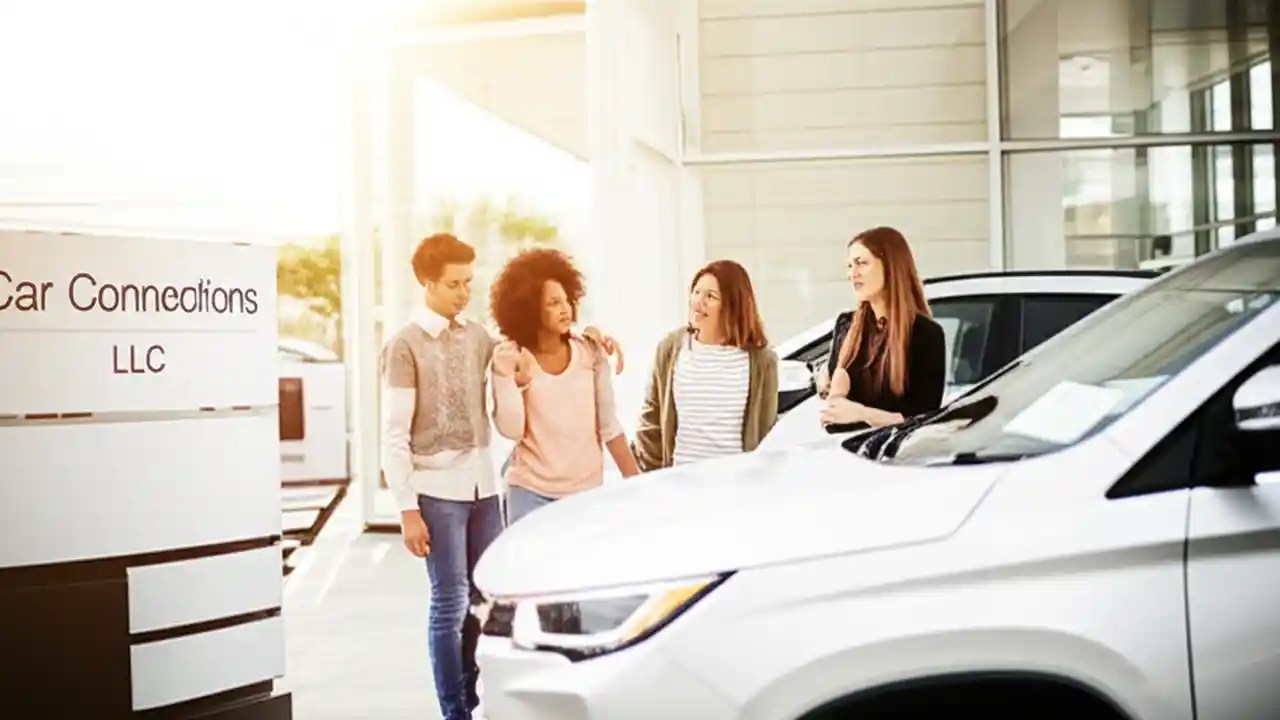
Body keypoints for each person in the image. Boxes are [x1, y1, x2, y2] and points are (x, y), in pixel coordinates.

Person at [380, 233, 622, 720]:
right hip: (435, 492)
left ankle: (477, 698)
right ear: (426, 282)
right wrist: (407, 509)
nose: (462, 292)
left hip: (484, 489)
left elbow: (529, 344)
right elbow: (392, 435)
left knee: (485, 601)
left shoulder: (478, 338)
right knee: (449, 604)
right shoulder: (403, 346)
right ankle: (455, 712)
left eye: (468, 282)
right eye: (452, 284)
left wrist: (592, 334)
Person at [489, 248, 641, 524]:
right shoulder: (512, 358)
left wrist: (637, 482)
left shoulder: (591, 353)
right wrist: (508, 378)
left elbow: (609, 426)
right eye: (553, 303)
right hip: (529, 491)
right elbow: (512, 430)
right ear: (530, 309)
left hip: (585, 493)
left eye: (566, 300)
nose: (565, 309)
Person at [633, 259, 778, 470]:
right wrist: (652, 476)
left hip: (736, 484)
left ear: (732, 306)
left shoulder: (762, 362)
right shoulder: (671, 348)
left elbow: (766, 432)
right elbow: (651, 419)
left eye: (710, 296)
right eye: (696, 292)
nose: (698, 302)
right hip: (678, 482)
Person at [815, 226, 945, 432]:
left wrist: (862, 414)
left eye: (861, 263)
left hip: (890, 458)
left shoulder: (924, 334)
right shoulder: (846, 326)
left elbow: (923, 419)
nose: (852, 274)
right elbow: (834, 409)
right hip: (841, 454)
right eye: (850, 265)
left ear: (890, 266)